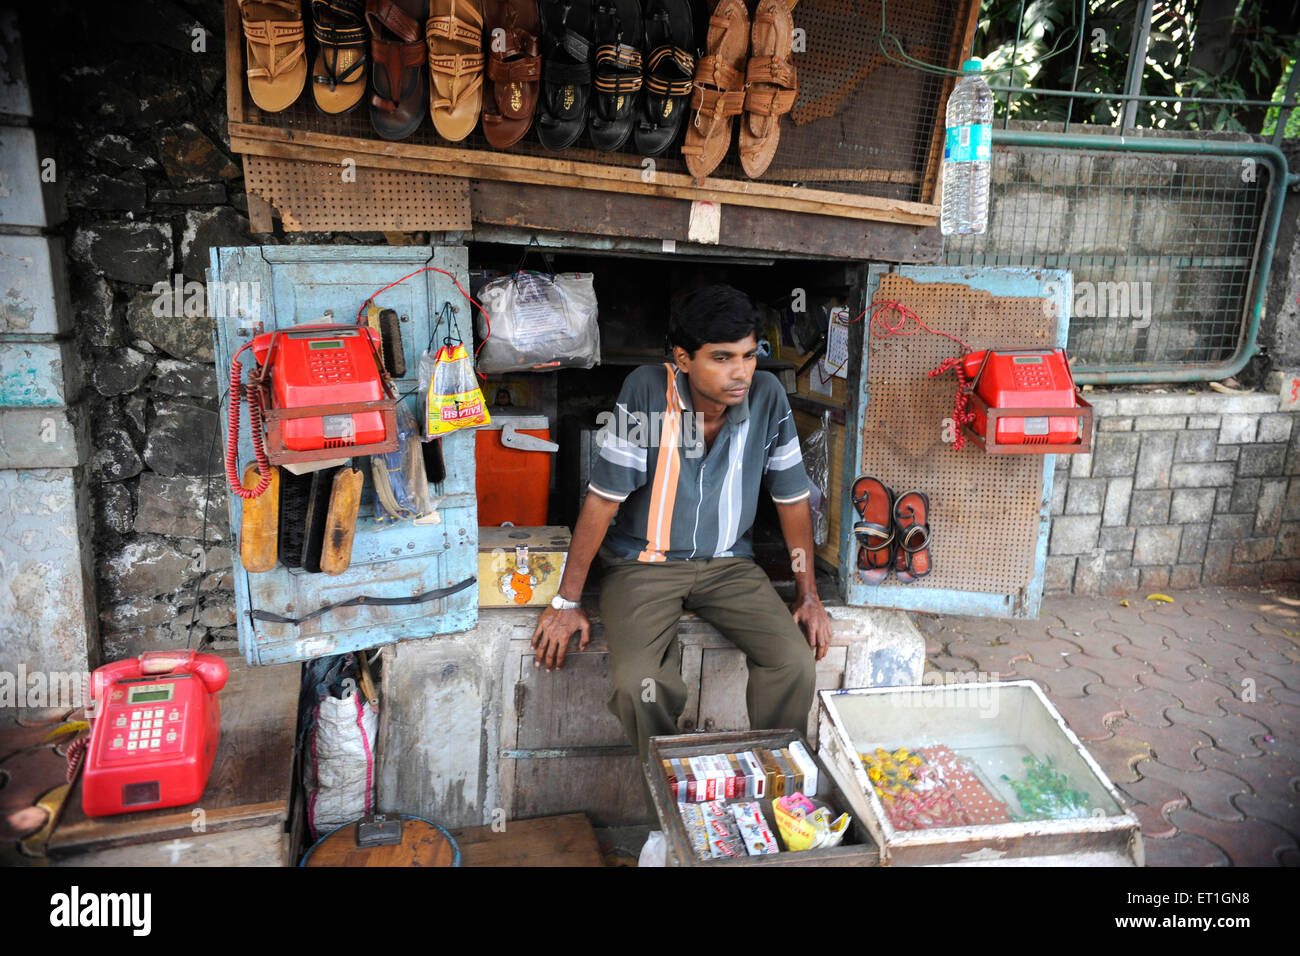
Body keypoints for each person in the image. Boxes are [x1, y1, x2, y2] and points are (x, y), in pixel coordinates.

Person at [530, 284, 833, 764]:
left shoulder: (769, 397)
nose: (741, 372)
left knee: (792, 662)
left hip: (730, 566)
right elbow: (602, 501)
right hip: (643, 565)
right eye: (722, 357)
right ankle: (674, 791)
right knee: (640, 687)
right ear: (683, 358)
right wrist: (567, 601)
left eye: (749, 356)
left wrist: (809, 594)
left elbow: (792, 500)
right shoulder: (648, 390)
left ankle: (777, 783)